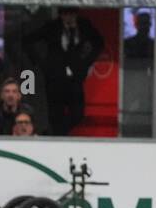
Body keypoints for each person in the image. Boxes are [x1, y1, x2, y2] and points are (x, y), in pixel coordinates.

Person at [25, 7, 104, 136]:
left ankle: (56, 134)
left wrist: (87, 61)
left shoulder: (84, 25)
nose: (69, 18)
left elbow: (99, 42)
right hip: (55, 77)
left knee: (78, 114)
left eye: (72, 14)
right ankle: (57, 136)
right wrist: (41, 63)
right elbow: (29, 40)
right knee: (56, 114)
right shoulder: (52, 27)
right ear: (61, 15)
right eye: (66, 15)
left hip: (75, 77)